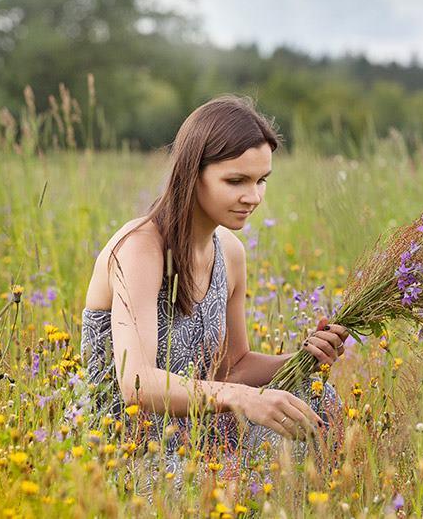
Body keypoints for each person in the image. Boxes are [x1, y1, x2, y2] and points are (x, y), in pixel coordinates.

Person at [80, 95, 347, 484]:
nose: (252, 197)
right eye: (236, 181)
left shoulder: (231, 253)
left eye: (261, 181)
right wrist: (241, 399)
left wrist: (302, 357)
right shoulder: (140, 249)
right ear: (193, 173)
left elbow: (232, 367)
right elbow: (136, 382)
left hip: (199, 434)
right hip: (129, 449)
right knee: (228, 486)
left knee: (316, 394)